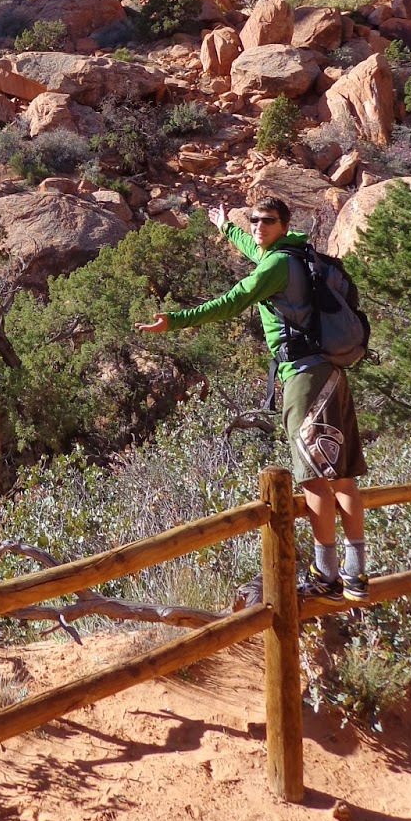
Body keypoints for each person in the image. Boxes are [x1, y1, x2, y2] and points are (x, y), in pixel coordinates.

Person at [136, 195, 369, 601]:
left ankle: (327, 576)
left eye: (268, 221)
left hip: (304, 377)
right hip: (331, 371)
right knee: (343, 477)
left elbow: (232, 301)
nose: (259, 227)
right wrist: (227, 227)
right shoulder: (294, 254)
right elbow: (254, 248)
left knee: (315, 477)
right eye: (255, 220)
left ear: (284, 225)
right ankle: (356, 575)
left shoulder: (276, 266)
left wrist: (175, 321)